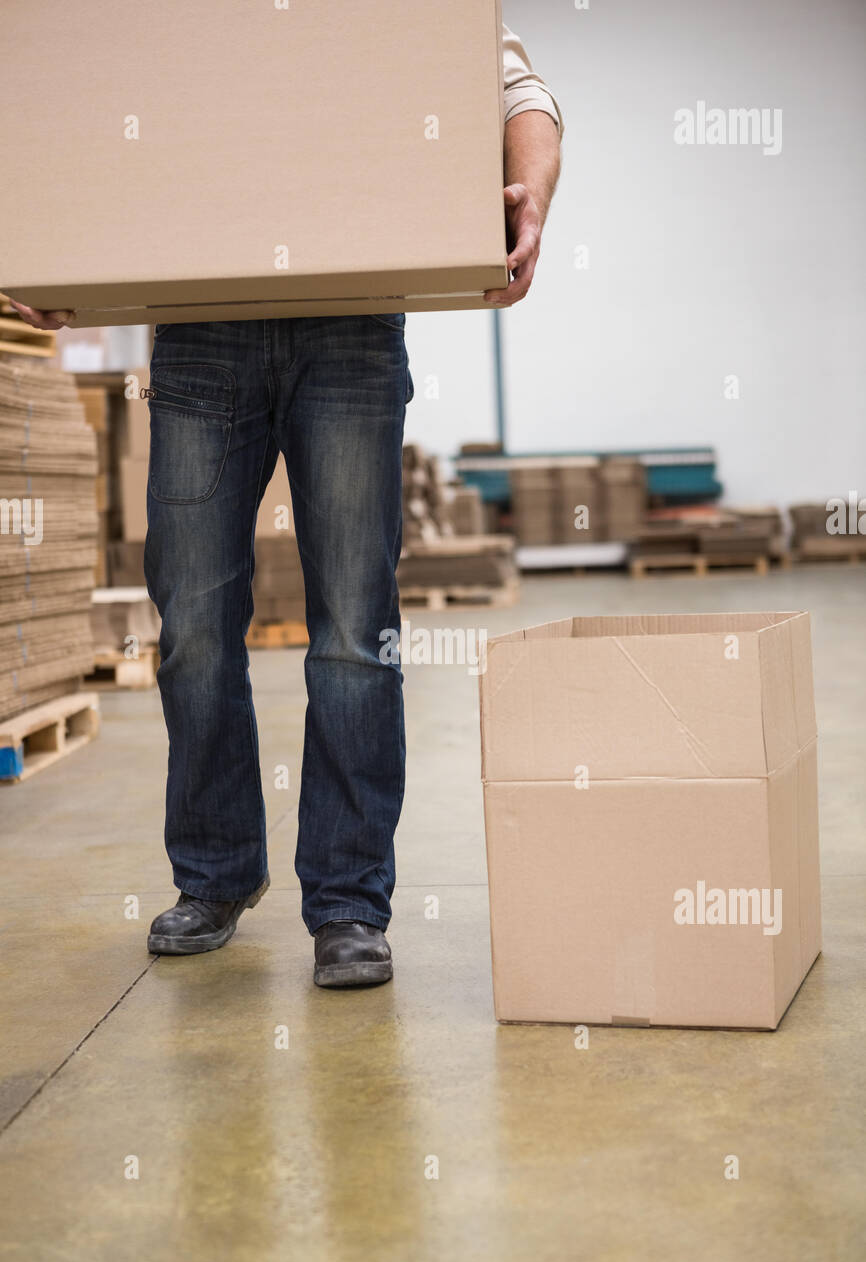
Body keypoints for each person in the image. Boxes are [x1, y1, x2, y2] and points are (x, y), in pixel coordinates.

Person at [10, 24, 562, 989]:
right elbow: (71, 99)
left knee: (354, 623)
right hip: (197, 328)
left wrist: (531, 197)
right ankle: (216, 875)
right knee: (193, 624)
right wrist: (55, 249)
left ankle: (348, 903)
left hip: (352, 324)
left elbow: (520, 93)